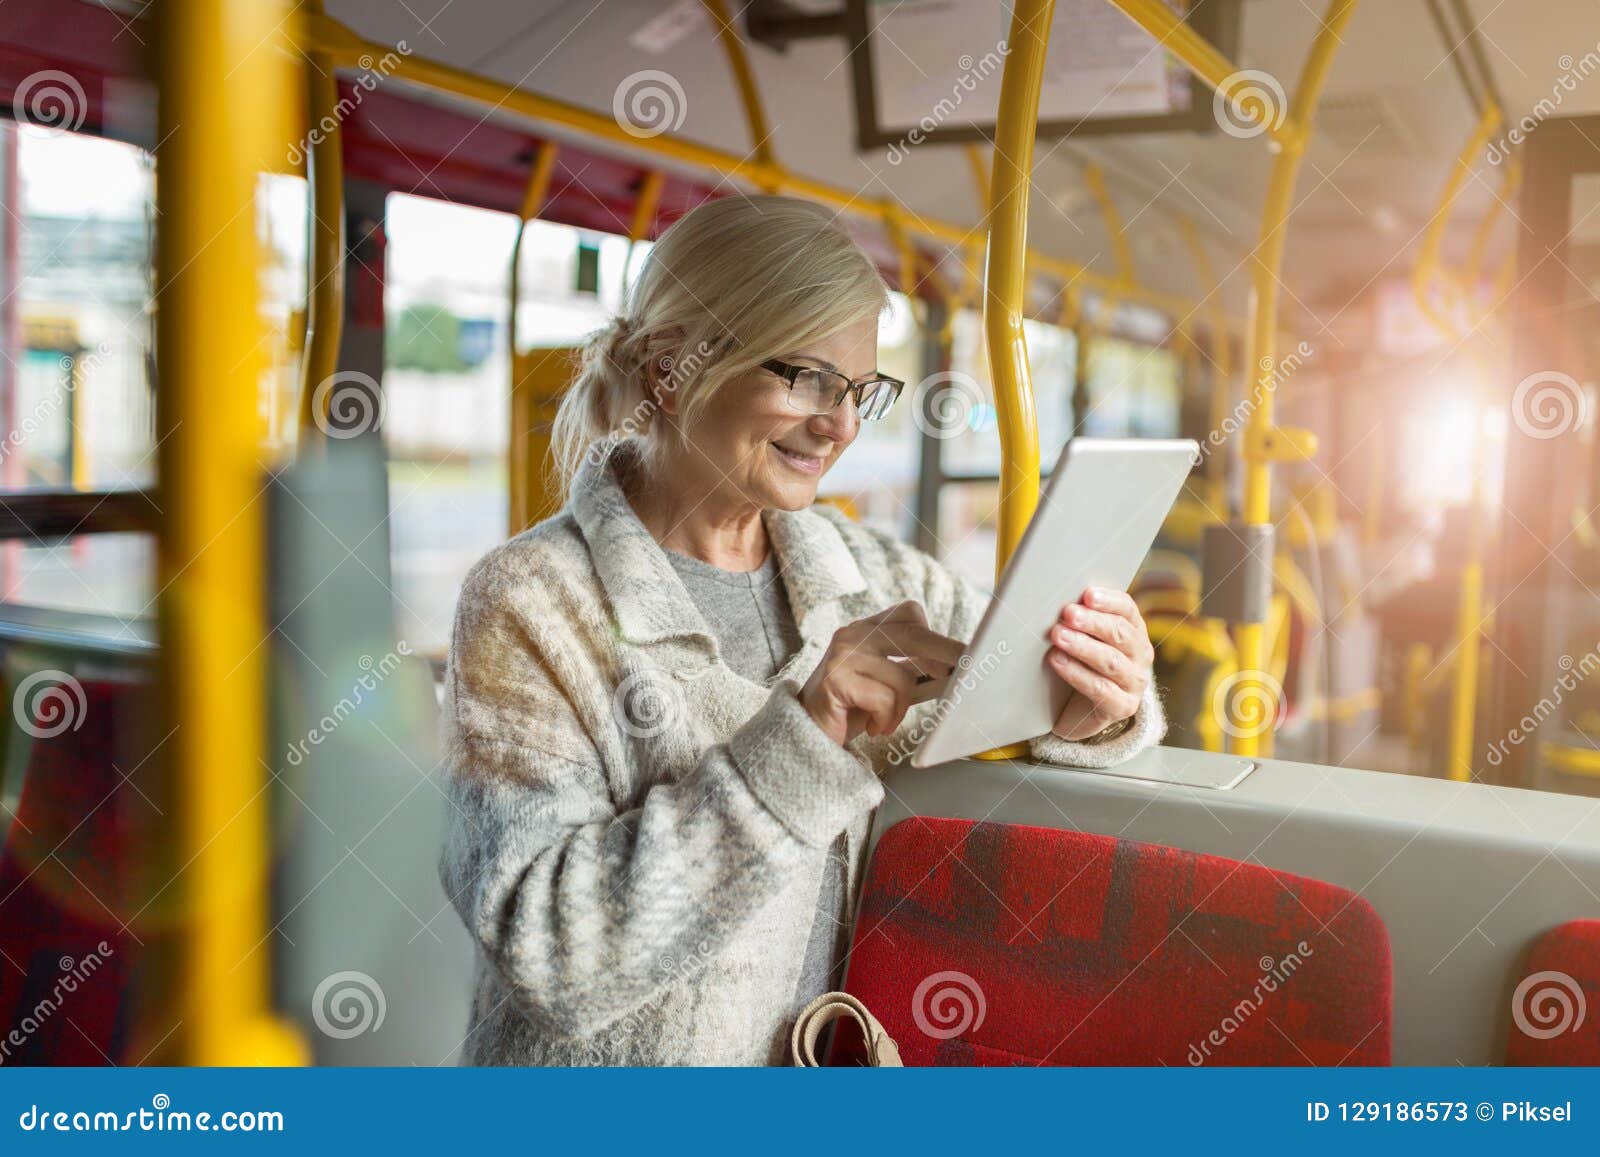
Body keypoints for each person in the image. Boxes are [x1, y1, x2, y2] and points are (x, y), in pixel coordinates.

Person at [439, 195, 1164, 1065]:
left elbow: (1016, 699)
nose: (841, 423)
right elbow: (554, 955)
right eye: (808, 378)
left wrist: (1091, 706)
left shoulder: (877, 576)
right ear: (672, 370)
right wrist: (806, 737)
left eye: (860, 389)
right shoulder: (529, 603)